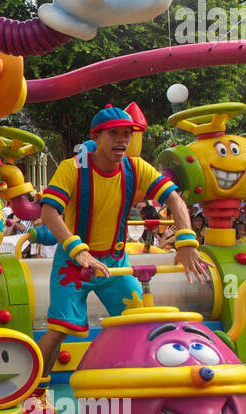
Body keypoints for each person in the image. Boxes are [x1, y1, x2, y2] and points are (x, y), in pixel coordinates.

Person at [37, 106, 208, 371]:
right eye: (114, 133)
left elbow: (174, 198)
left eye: (127, 133)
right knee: (59, 329)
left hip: (115, 264)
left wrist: (186, 242)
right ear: (97, 137)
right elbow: (49, 212)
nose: (122, 139)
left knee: (139, 321)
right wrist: (77, 250)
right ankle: (36, 394)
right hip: (73, 265)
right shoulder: (72, 168)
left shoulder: (136, 167)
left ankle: (138, 382)